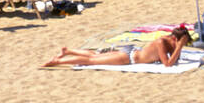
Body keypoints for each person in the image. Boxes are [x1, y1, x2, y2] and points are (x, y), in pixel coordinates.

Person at [41, 25, 193, 68]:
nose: (181, 45)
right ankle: (58, 61)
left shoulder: (171, 42)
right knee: (92, 61)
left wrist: (178, 47)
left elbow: (175, 59)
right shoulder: (162, 42)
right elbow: (168, 64)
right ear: (175, 38)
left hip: (131, 52)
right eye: (180, 42)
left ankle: (67, 51)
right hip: (128, 57)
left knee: (95, 56)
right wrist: (179, 47)